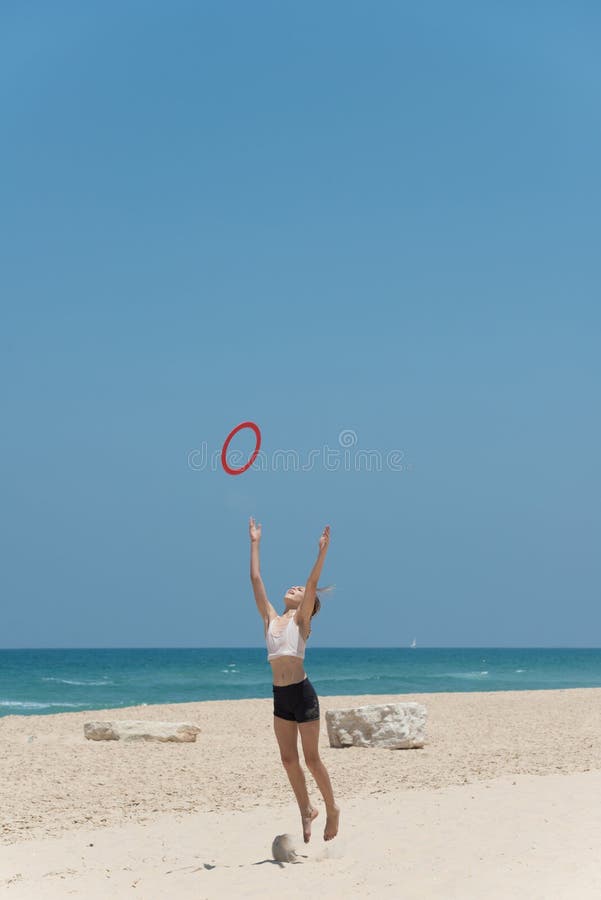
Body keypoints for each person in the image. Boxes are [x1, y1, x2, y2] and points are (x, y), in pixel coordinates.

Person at [249, 516, 340, 844]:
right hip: (280, 697)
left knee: (312, 759)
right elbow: (256, 579)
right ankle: (306, 810)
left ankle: (332, 808)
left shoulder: (301, 623)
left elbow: (313, 583)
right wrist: (255, 543)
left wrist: (321, 553)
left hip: (302, 695)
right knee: (288, 759)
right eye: (294, 587)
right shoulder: (270, 619)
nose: (294, 588)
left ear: (307, 605)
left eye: (299, 590)